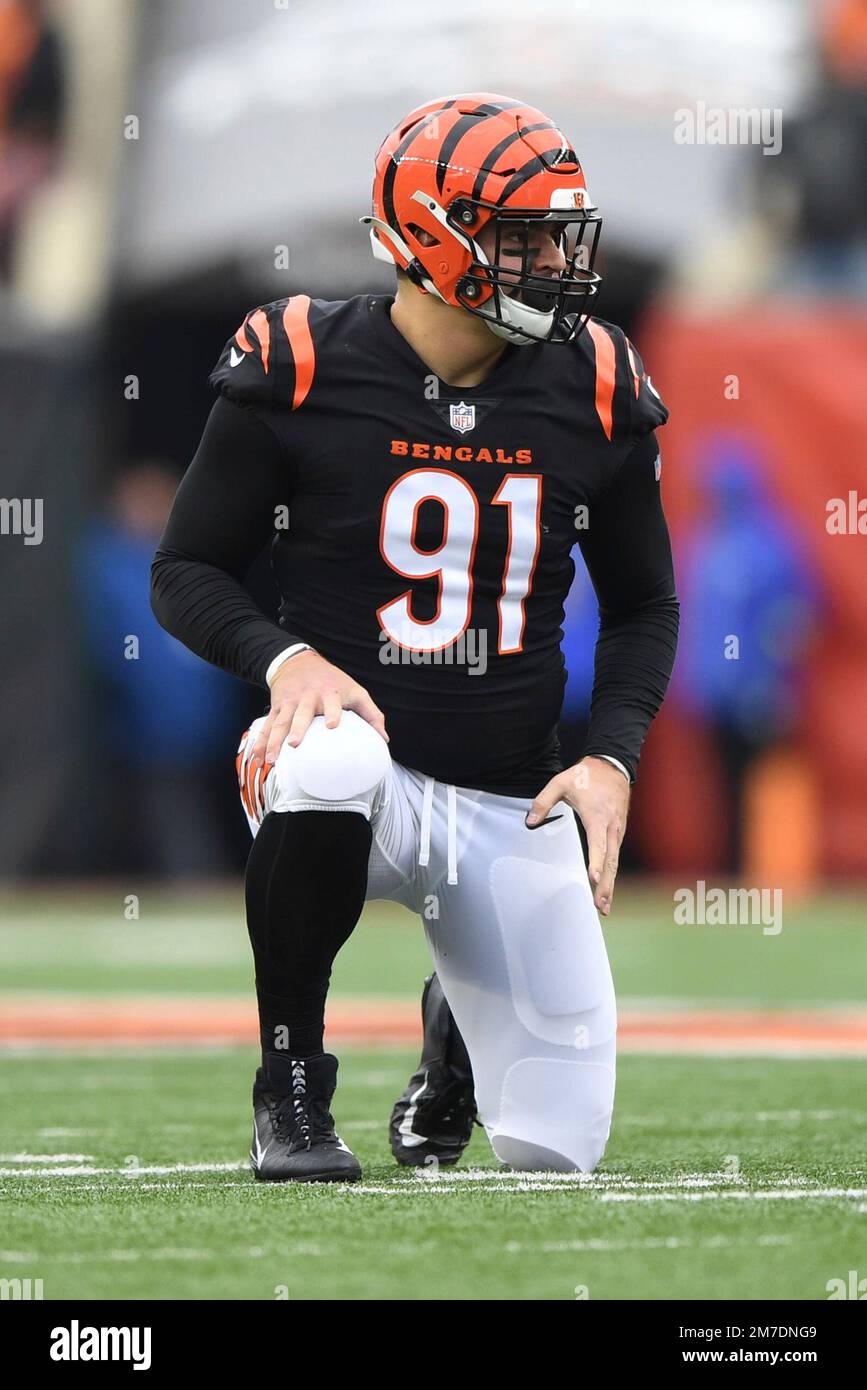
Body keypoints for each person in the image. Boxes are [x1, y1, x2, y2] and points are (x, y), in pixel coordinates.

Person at [151, 93, 679, 1182]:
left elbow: (645, 605)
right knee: (333, 754)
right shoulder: (299, 360)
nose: (555, 262)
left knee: (553, 1153)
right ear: (437, 235)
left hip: (509, 800)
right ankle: (291, 1087)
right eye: (524, 235)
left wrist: (613, 755)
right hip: (356, 772)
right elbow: (183, 569)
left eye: (556, 233)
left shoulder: (594, 381)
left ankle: (454, 1035)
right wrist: (287, 660)